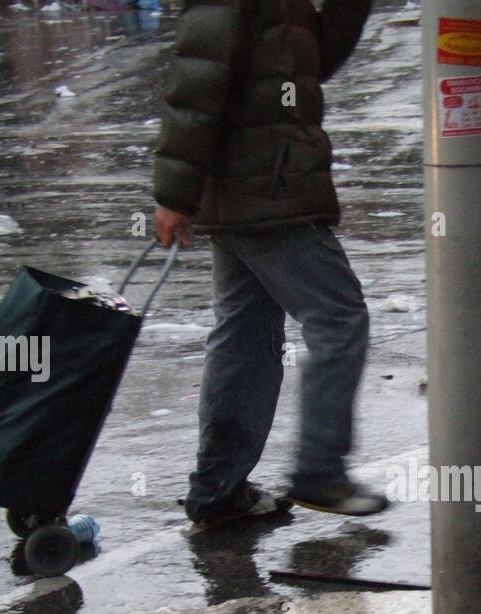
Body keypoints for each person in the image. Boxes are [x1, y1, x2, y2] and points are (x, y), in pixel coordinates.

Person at [153, 0, 387, 522]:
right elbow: (195, 90)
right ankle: (319, 472)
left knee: (247, 338)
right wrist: (174, 195)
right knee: (338, 317)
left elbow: (313, 64)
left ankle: (218, 489)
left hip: (259, 190)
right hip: (265, 190)